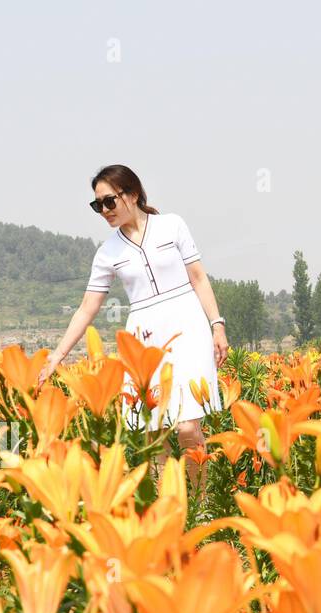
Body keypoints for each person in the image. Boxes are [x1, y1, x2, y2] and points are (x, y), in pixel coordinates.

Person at [39, 164, 228, 484]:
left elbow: (198, 277)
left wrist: (217, 324)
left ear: (133, 194)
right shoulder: (107, 252)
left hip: (188, 325)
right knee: (153, 432)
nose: (104, 210)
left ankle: (200, 502)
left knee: (187, 426)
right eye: (97, 205)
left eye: (109, 201)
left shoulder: (172, 225)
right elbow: (87, 308)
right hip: (144, 337)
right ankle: (164, 513)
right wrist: (56, 355)